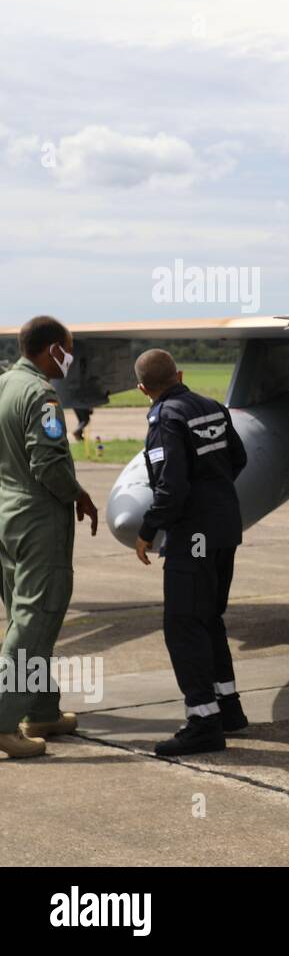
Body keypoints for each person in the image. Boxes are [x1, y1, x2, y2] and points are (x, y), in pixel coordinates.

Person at [131, 349, 249, 756]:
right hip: (225, 530)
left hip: (193, 537)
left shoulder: (165, 418)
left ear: (143, 389)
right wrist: (213, 494)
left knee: (183, 626)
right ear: (179, 374)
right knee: (209, 619)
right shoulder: (213, 408)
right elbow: (239, 457)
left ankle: (203, 722)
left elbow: (171, 487)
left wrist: (148, 530)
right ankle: (228, 708)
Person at [0, 316, 98, 759]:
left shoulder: (5, 385)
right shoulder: (41, 396)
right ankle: (3, 720)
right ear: (52, 349)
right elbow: (49, 465)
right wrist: (79, 494)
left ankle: (40, 709)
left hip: (7, 513)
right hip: (38, 518)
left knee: (25, 617)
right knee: (36, 619)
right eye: (68, 349)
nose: (70, 358)